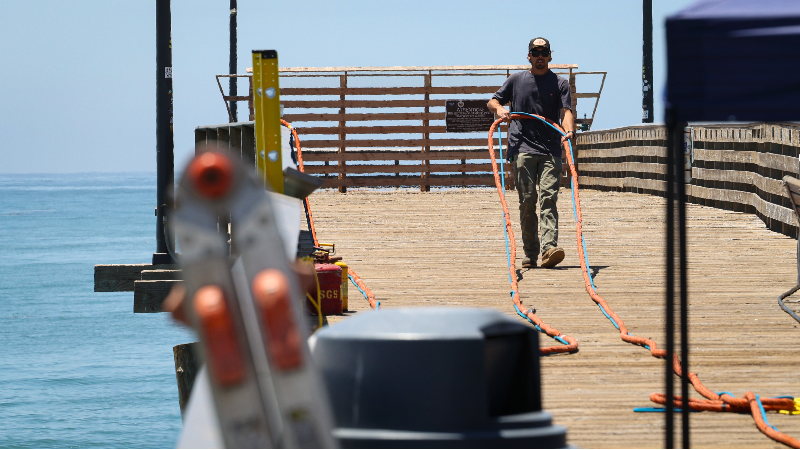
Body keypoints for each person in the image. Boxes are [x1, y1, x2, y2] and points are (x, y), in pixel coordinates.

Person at [487, 37, 575, 269]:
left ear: (550, 55)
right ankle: (531, 252)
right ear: (529, 56)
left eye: (544, 52)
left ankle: (549, 249)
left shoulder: (560, 83)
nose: (540, 56)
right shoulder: (516, 80)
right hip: (522, 148)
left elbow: (566, 111)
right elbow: (492, 102)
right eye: (536, 53)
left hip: (550, 149)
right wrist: (500, 109)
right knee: (527, 201)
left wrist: (569, 131)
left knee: (548, 198)